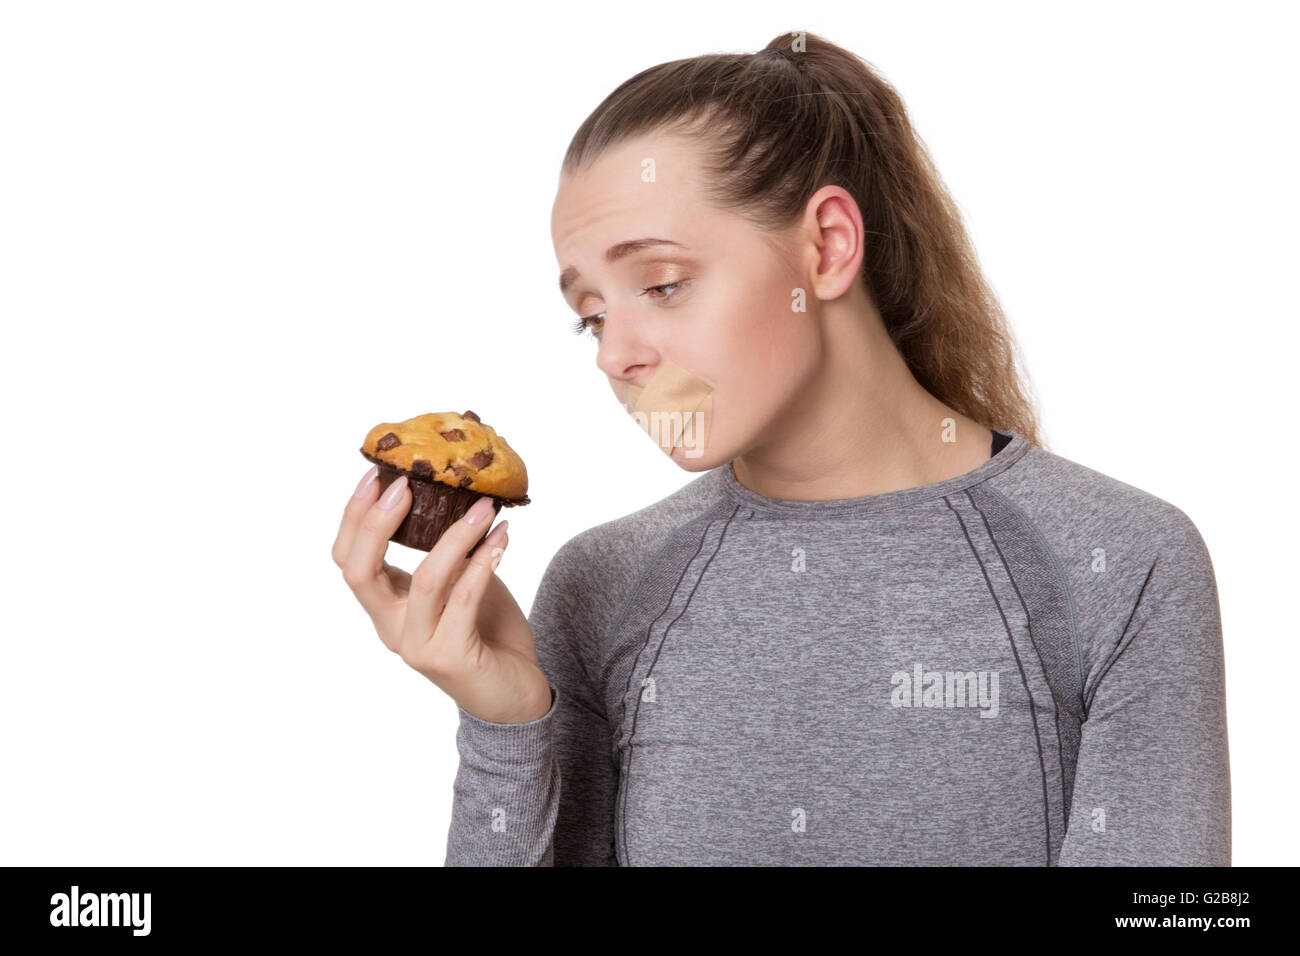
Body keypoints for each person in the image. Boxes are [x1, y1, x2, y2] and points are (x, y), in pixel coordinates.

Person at [333, 32, 1230, 866]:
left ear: (828, 247)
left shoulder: (1121, 561)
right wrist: (505, 725)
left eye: (664, 283)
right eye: (592, 316)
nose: (615, 354)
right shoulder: (598, 584)